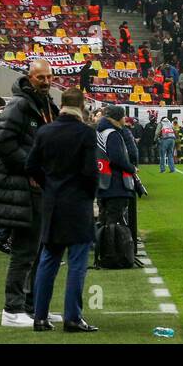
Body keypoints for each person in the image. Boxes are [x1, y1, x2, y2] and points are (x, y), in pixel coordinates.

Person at [0, 60, 58, 329]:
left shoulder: (45, 104)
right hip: (24, 188)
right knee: (24, 250)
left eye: (49, 77)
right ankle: (12, 310)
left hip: (38, 187)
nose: (46, 81)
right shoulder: (19, 104)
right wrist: (32, 169)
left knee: (38, 249)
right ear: (30, 77)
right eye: (41, 77)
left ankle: (33, 307)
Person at [28, 88, 99, 333]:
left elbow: (31, 165)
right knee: (77, 262)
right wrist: (89, 196)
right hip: (77, 204)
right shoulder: (86, 133)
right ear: (81, 106)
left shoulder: (45, 131)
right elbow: (91, 173)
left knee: (48, 260)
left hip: (53, 202)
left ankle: (39, 316)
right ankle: (72, 317)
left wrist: (48, 184)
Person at [95, 105, 139, 262]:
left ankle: (106, 253)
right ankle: (114, 255)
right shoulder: (113, 134)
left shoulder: (100, 131)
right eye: (123, 116)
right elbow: (117, 158)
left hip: (104, 182)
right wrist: (131, 167)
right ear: (118, 117)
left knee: (106, 219)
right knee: (114, 221)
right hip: (114, 183)